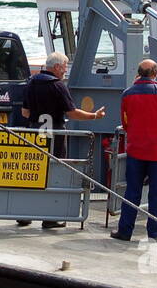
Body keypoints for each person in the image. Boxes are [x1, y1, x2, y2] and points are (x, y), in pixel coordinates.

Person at [17, 51, 107, 229]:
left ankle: (24, 215)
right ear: (57, 67)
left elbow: (25, 113)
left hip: (35, 133)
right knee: (56, 173)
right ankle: (50, 217)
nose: (65, 70)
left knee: (33, 171)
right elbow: (72, 113)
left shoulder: (31, 83)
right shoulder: (58, 86)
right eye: (65, 67)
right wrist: (94, 116)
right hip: (55, 135)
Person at [113, 60, 157, 242]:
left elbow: (125, 122)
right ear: (155, 73)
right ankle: (154, 233)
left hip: (136, 150)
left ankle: (125, 231)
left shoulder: (127, 94)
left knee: (132, 192)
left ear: (139, 72)